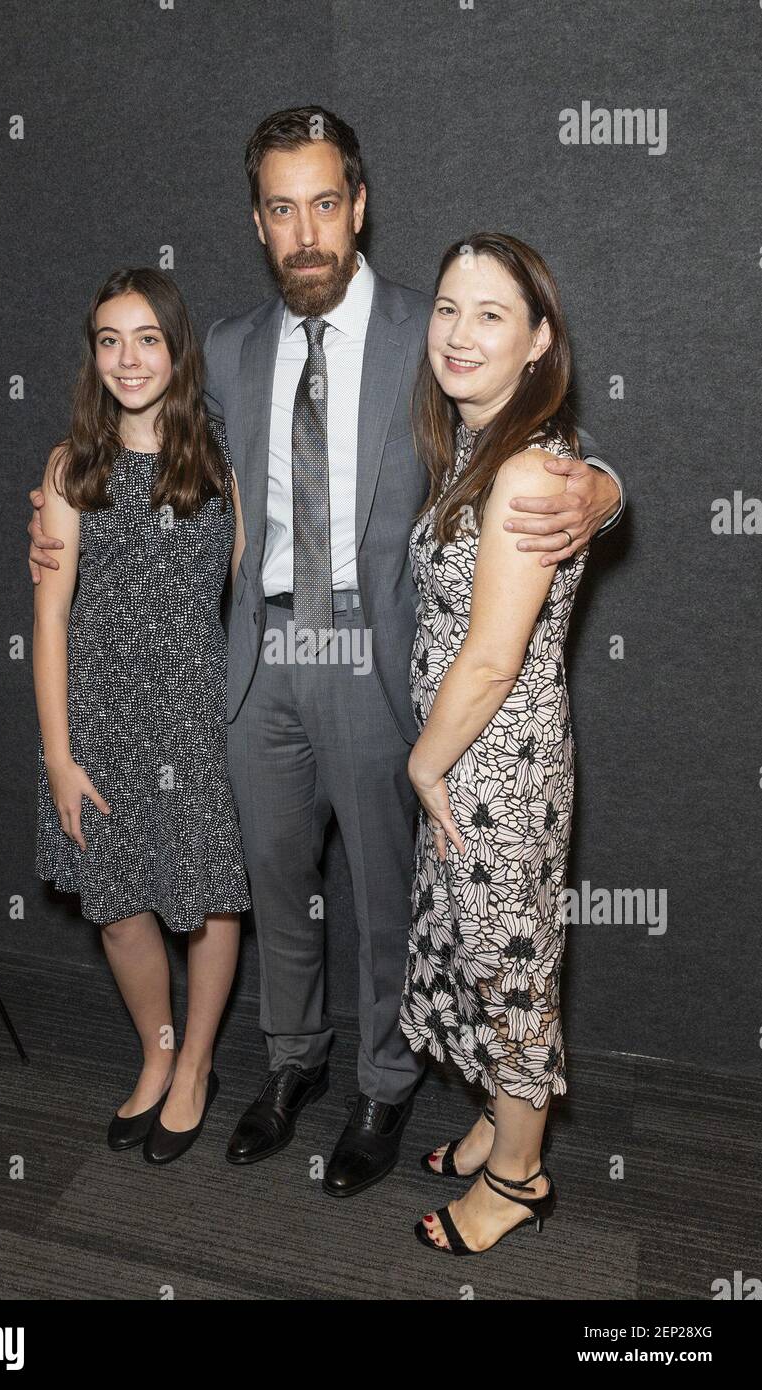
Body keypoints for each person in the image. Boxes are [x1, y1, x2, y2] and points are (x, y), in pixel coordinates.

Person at [28, 107, 626, 1199]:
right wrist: (61, 485)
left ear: (358, 207)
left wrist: (599, 484)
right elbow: (146, 427)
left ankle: (385, 1081)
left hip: (377, 652)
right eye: (279, 207)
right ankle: (291, 1060)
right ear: (258, 221)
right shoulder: (234, 344)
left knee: (386, 895)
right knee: (272, 885)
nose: (304, 230)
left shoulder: (429, 331)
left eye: (323, 203)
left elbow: (520, 415)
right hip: (255, 658)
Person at [32, 266, 250, 1165]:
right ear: (93, 354)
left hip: (194, 721)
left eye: (147, 338)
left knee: (201, 902)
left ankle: (196, 1065)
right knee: (120, 911)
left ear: (176, 348)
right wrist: (58, 756)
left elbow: (247, 587)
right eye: (109, 340)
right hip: (98, 724)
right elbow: (47, 616)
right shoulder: (69, 465)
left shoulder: (218, 456)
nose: (128, 358)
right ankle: (155, 1057)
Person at [403, 233, 594, 1254]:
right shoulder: (482, 446)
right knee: (476, 957)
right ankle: (494, 1118)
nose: (459, 333)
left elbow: (488, 657)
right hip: (471, 766)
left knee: (511, 973)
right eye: (446, 308)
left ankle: (518, 1176)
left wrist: (421, 763)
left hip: (491, 772)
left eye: (489, 315)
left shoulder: (524, 469)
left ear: (538, 341)